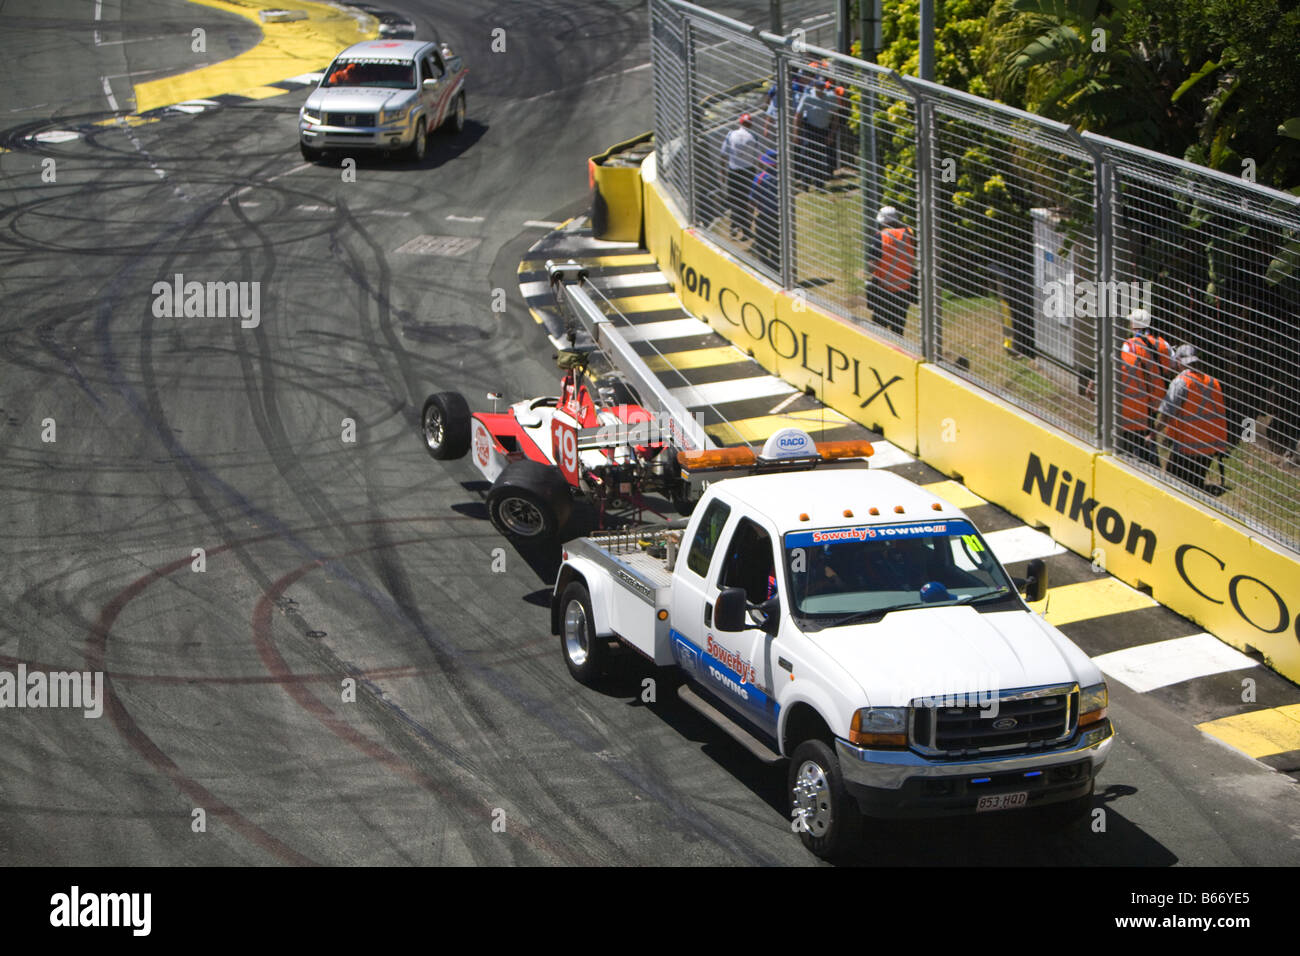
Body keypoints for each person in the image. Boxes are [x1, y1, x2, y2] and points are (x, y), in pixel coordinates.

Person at [1151, 344, 1229, 493]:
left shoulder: (1181, 382)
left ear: (1179, 361)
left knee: (1171, 487)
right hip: (1208, 448)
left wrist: (1152, 434)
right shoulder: (1213, 382)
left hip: (1186, 447)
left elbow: (1166, 414)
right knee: (1195, 487)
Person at [1116, 307, 1174, 467]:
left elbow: (1125, 370)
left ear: (1134, 325)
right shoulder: (1163, 344)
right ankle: (1152, 463)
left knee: (1135, 438)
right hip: (1158, 400)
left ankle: (1143, 464)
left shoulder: (1129, 346)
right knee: (1150, 432)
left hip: (1139, 399)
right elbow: (1170, 368)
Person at [864, 206, 916, 336]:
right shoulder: (909, 233)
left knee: (879, 328)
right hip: (904, 288)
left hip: (883, 289)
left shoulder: (880, 237)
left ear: (882, 222)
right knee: (898, 328)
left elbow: (872, 265)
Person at [719, 113, 760, 240]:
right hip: (748, 171)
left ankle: (736, 226)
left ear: (740, 123)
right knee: (746, 201)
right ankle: (743, 228)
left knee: (736, 201)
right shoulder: (753, 136)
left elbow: (723, 156)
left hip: (734, 171)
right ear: (750, 124)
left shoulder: (731, 135)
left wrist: (723, 173)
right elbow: (758, 157)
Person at [794, 79, 833, 189]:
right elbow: (798, 115)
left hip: (823, 130)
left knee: (820, 157)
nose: (820, 89)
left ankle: (819, 183)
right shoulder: (808, 98)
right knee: (807, 156)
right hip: (810, 130)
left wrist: (831, 134)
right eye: (818, 86)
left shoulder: (830, 98)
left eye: (822, 87)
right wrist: (797, 133)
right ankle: (805, 183)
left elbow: (835, 117)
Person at [749, 149, 780, 273]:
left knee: (762, 246)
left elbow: (753, 200)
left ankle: (766, 271)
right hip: (778, 218)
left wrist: (750, 217)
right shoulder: (782, 178)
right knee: (777, 248)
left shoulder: (760, 178)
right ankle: (777, 271)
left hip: (764, 218)